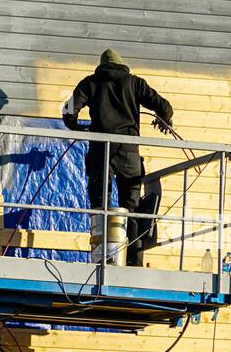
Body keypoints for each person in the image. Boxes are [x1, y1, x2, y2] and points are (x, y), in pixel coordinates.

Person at [61, 48, 173, 265]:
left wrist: (77, 127)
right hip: (128, 151)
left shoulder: (90, 82)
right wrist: (164, 118)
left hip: (100, 150)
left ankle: (102, 256)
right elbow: (164, 107)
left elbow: (68, 111)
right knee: (131, 207)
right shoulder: (135, 83)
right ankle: (133, 259)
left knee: (99, 203)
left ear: (101, 65)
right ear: (122, 64)